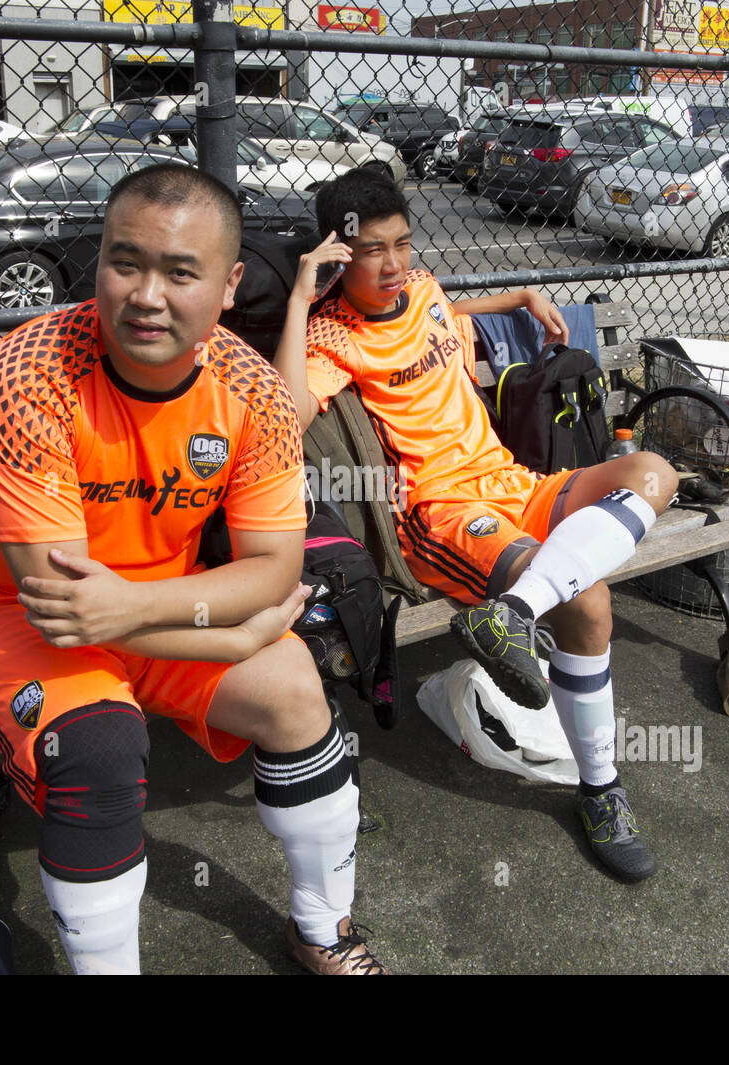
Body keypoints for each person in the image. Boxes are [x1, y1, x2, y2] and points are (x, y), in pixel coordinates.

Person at [0, 163, 387, 975]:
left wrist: (188, 611)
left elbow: (272, 566)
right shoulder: (24, 372)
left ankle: (322, 928)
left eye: (181, 272)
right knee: (100, 750)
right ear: (98, 261)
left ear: (228, 285)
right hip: (24, 612)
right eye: (126, 261)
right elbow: (62, 603)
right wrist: (226, 635)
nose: (146, 294)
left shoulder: (253, 389)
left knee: (297, 691)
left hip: (153, 603)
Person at [272, 167, 679, 882]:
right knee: (587, 601)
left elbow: (443, 304)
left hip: (511, 482)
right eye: (373, 251)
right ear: (340, 256)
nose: (395, 263)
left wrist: (522, 295)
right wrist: (303, 300)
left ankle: (513, 614)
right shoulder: (334, 336)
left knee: (655, 473)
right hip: (442, 514)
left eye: (403, 243)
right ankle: (602, 788)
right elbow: (283, 419)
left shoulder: (422, 290)